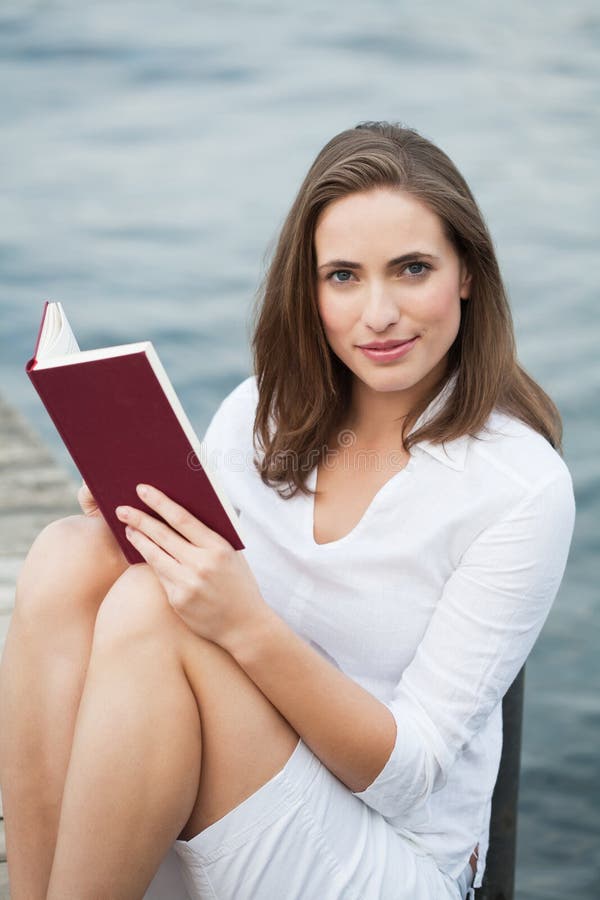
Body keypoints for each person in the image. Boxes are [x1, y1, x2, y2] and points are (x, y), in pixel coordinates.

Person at [0, 121, 575, 900]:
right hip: (250, 778)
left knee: (152, 608)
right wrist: (140, 524)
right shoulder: (258, 414)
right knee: (74, 554)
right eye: (343, 276)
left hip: (395, 854)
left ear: (467, 272)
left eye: (412, 269)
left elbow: (411, 778)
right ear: (309, 289)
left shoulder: (520, 486)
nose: (379, 313)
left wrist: (244, 622)